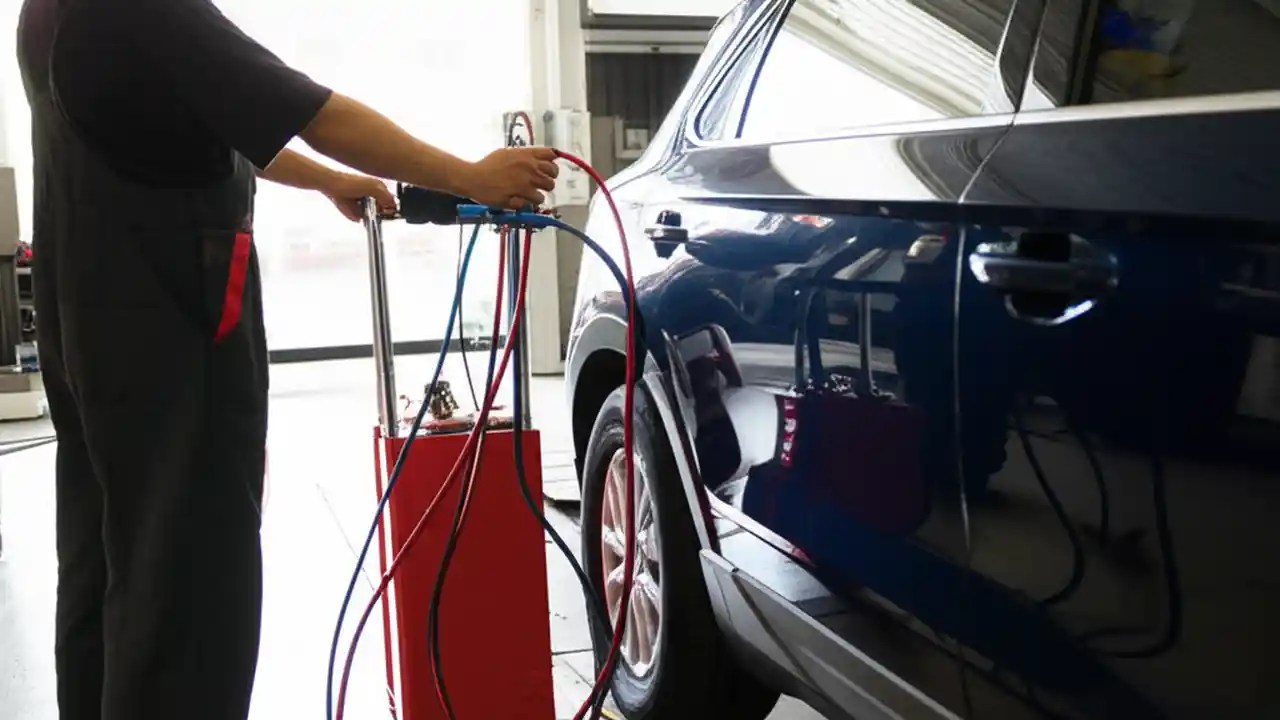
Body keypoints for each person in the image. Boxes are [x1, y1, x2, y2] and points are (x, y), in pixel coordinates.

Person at [16, 1, 559, 718]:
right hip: (169, 337)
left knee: (110, 563)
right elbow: (307, 108)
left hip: (90, 329)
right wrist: (469, 176)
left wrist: (325, 181)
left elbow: (209, 111)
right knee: (187, 584)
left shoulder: (49, 11)